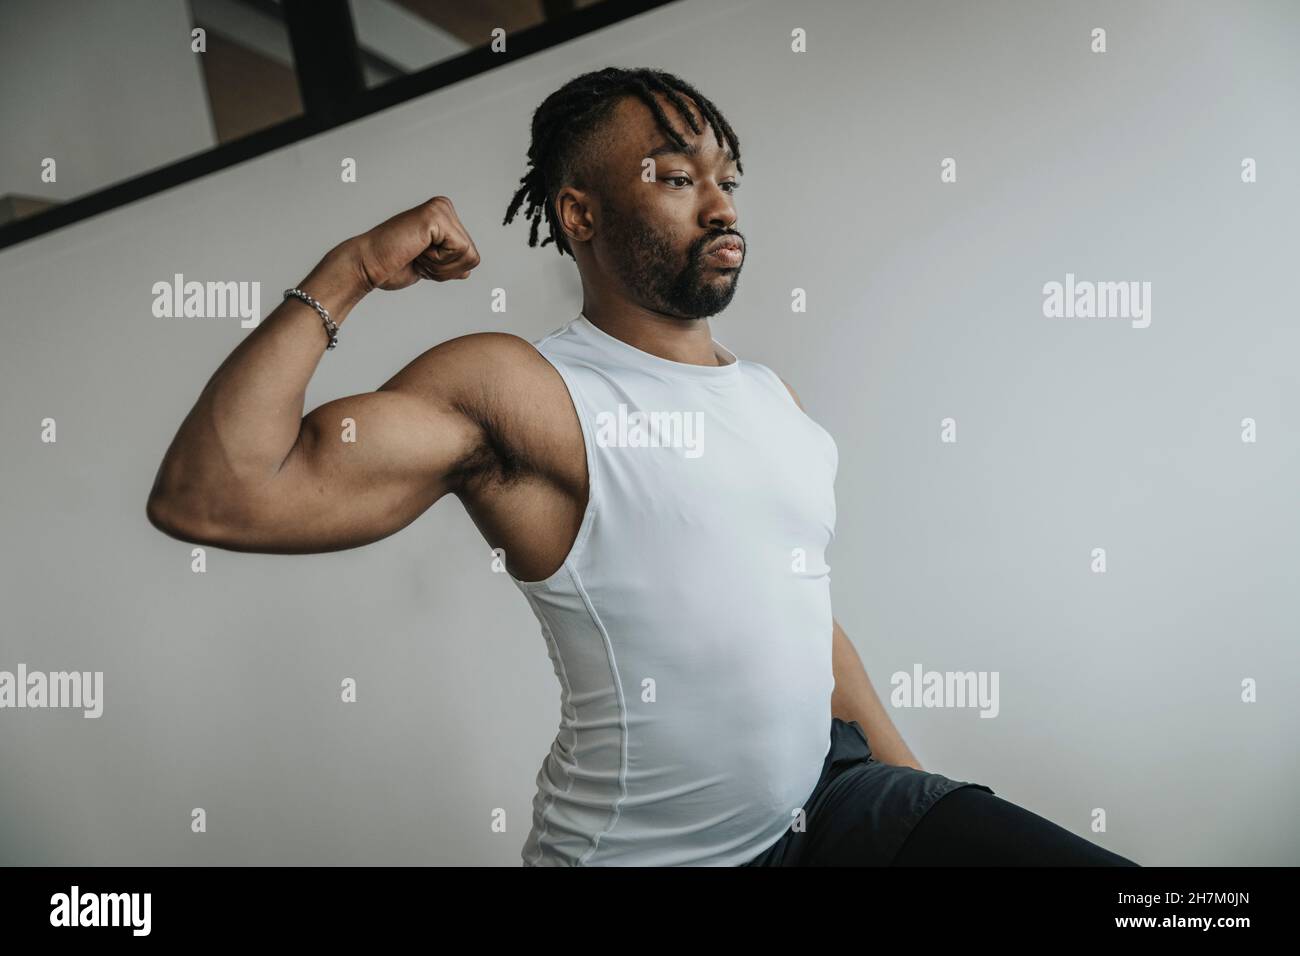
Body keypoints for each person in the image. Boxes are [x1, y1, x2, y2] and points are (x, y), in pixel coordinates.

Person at [146, 66, 1138, 867]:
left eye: (726, 177)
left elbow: (802, 612)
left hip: (836, 802)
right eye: (673, 177)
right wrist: (352, 267)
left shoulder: (769, 400)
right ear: (578, 215)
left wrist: (920, 799)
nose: (718, 205)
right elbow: (216, 493)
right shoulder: (516, 387)